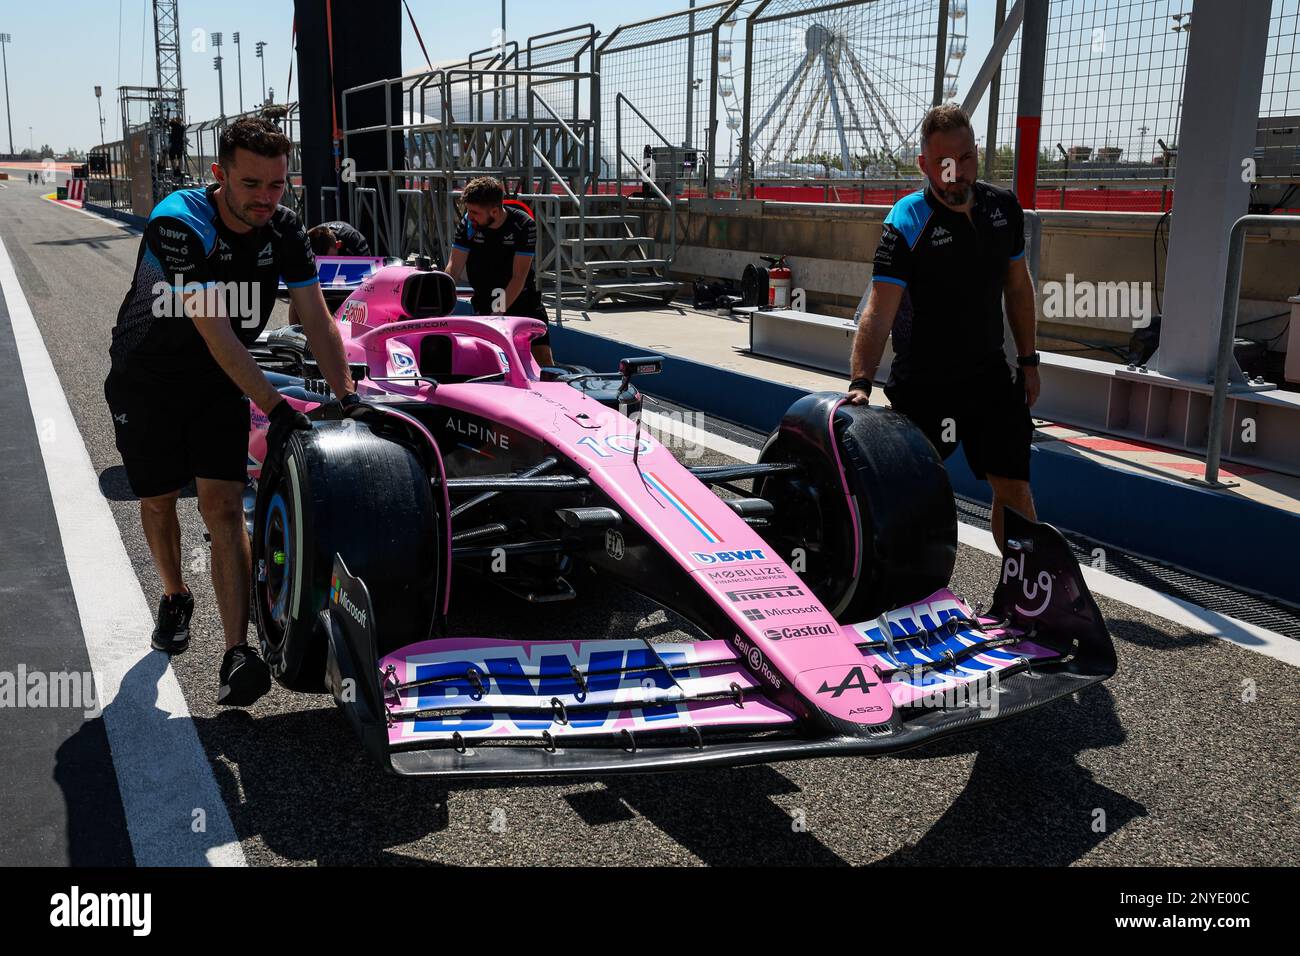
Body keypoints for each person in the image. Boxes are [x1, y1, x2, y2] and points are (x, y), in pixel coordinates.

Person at [104, 117, 356, 706]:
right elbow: (216, 331)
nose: (267, 198)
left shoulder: (284, 227)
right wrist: (278, 406)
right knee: (160, 498)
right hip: (150, 380)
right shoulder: (178, 223)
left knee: (221, 507)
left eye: (277, 184)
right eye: (252, 185)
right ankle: (173, 595)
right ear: (219, 175)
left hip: (219, 382)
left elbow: (316, 319)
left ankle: (235, 652)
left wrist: (346, 397)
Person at [846, 104, 1040, 551]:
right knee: (914, 498)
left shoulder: (1003, 209)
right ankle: (905, 590)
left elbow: (1018, 286)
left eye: (967, 157)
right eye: (944, 163)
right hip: (925, 387)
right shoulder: (907, 220)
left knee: (1014, 488)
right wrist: (861, 381)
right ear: (924, 165)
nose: (957, 172)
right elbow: (880, 309)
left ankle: (1024, 592)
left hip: (989, 377)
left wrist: (1028, 360)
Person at [443, 176, 555, 367]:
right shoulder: (468, 224)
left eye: (474, 212)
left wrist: (497, 312)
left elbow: (518, 276)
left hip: (521, 299)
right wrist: (441, 297)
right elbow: (454, 266)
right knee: (489, 362)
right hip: (485, 299)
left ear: (494, 211)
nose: (469, 216)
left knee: (543, 359)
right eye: (468, 211)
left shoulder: (523, 225)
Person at [307, 220, 372, 257]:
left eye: (331, 258)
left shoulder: (355, 239)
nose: (329, 264)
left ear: (338, 244)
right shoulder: (309, 240)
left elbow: (367, 271)